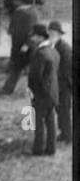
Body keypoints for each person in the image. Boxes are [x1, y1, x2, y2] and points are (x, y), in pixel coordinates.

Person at [26, 23, 59, 156]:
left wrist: (31, 91)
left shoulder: (40, 54)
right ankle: (51, 148)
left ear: (39, 37)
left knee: (38, 122)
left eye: (34, 36)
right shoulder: (53, 51)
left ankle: (38, 149)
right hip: (52, 93)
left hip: (41, 94)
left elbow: (35, 76)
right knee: (51, 121)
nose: (32, 39)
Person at [48, 21, 72, 143]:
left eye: (54, 33)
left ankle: (68, 135)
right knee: (59, 109)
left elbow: (67, 68)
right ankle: (64, 132)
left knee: (64, 110)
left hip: (64, 84)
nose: (51, 35)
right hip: (55, 84)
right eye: (50, 33)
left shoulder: (64, 48)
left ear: (59, 34)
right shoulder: (51, 46)